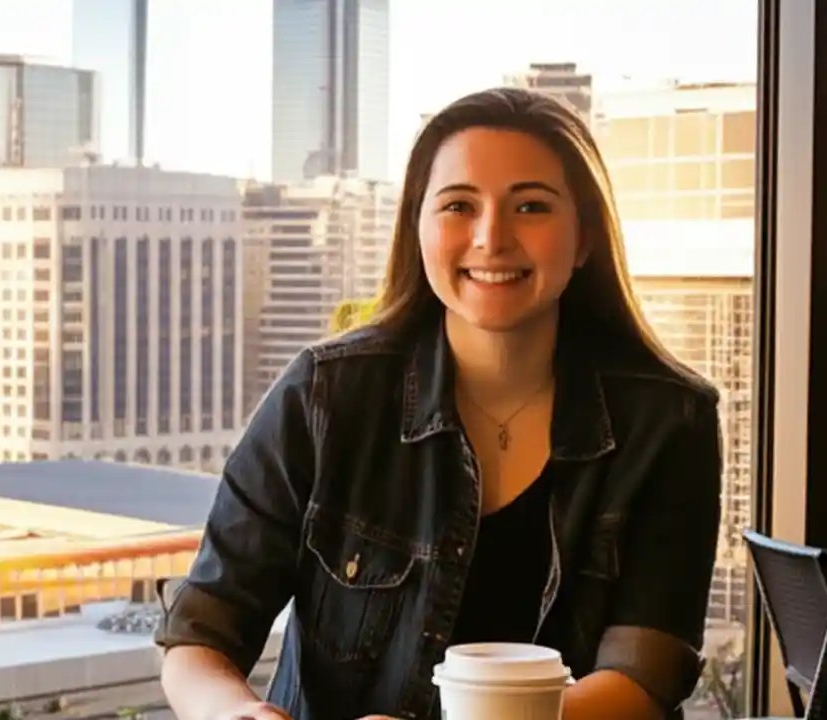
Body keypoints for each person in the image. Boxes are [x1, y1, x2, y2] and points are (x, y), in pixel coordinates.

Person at [155, 87, 723, 720]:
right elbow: (202, 632)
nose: (492, 238)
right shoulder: (324, 396)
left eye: (531, 206)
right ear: (418, 229)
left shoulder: (670, 420)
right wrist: (241, 714)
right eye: (459, 205)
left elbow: (644, 677)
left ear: (585, 238)